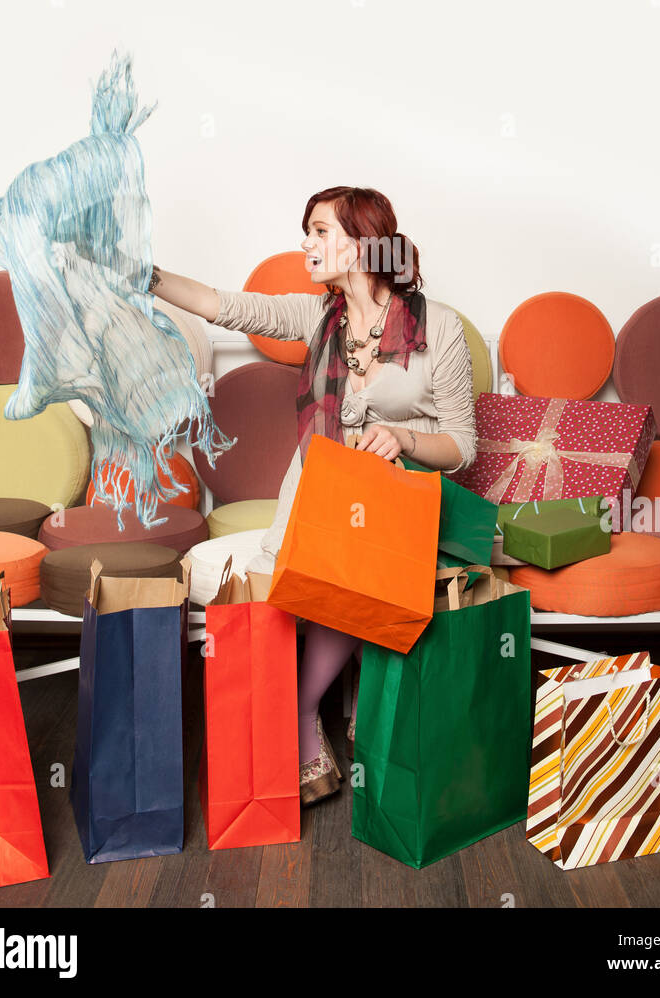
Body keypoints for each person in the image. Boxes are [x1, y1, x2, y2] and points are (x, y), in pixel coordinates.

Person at [150, 185, 477, 805]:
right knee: (276, 586)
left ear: (362, 242)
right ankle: (318, 709)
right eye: (308, 231)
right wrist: (149, 275)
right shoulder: (317, 319)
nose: (307, 243)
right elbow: (223, 306)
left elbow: (465, 444)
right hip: (318, 489)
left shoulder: (441, 329)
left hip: (396, 498)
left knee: (358, 576)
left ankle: (302, 711)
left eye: (320, 231)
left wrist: (404, 436)